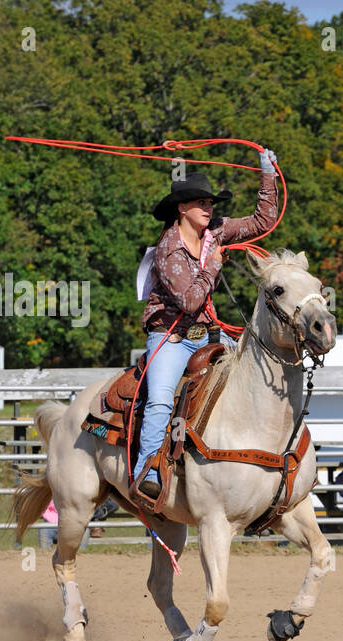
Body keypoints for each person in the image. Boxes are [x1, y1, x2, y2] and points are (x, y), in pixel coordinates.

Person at [133, 150, 281, 497]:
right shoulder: (169, 248)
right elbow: (189, 300)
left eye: (211, 202)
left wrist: (267, 175)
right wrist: (213, 264)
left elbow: (263, 222)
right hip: (170, 338)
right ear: (182, 208)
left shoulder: (215, 230)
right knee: (159, 401)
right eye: (202, 202)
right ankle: (146, 472)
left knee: (245, 383)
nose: (210, 208)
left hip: (206, 335)